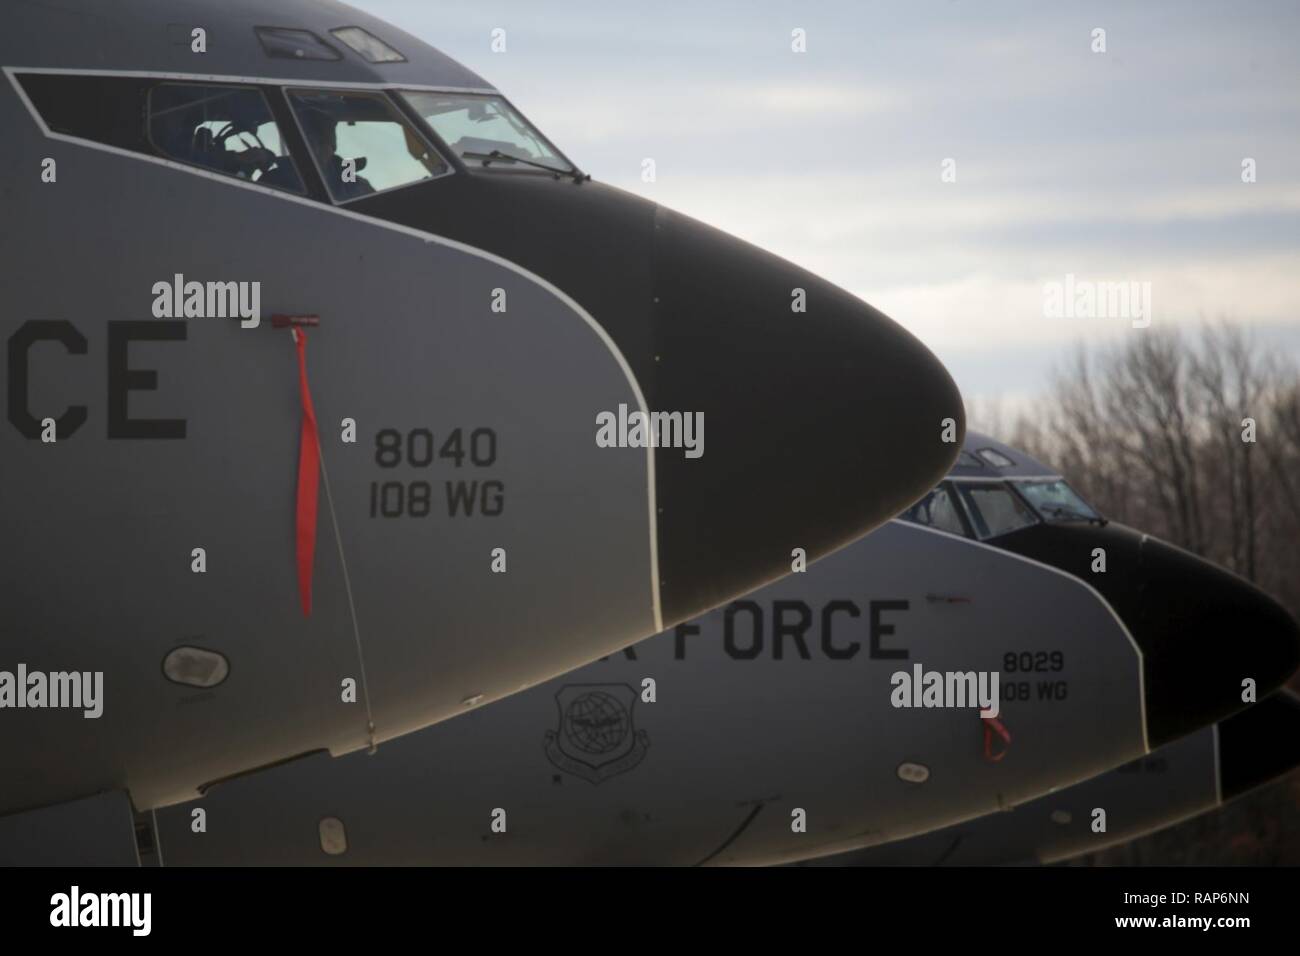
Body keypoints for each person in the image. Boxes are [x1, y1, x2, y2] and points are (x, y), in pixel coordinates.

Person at [299, 106, 375, 200]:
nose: (316, 150)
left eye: (322, 144)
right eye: (309, 143)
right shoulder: (281, 179)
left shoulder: (357, 186)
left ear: (332, 149)